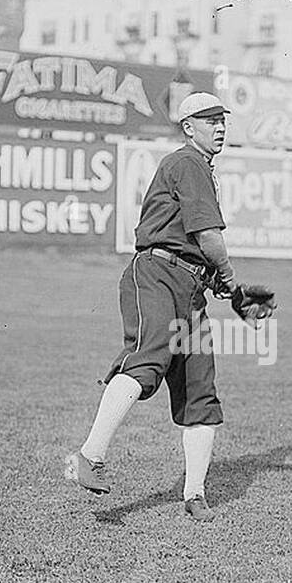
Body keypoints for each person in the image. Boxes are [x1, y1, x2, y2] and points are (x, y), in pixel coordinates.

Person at [72, 92, 238, 522]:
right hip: (159, 274)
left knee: (200, 390)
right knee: (148, 362)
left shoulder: (199, 166)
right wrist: (230, 276)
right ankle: (90, 455)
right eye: (209, 120)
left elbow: (202, 244)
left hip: (189, 283)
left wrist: (213, 277)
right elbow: (209, 237)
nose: (219, 127)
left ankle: (195, 494)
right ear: (188, 127)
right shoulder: (187, 162)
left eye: (222, 120)